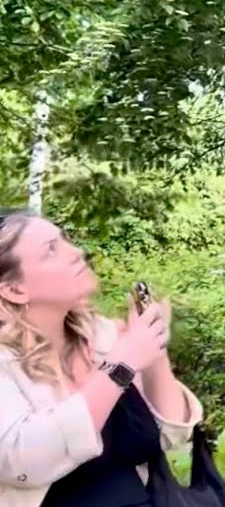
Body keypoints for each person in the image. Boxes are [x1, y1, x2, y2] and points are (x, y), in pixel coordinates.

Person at [0, 211, 204, 507]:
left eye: (65, 240)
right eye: (51, 250)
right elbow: (23, 463)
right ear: (14, 289)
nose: (76, 252)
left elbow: (172, 437)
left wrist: (153, 348)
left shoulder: (101, 336)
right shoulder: (7, 362)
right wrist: (122, 364)